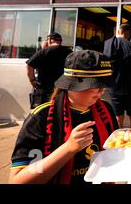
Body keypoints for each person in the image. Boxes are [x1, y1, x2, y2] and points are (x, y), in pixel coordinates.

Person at [9, 50, 118, 184]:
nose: (102, 91)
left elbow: (115, 155)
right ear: (71, 84)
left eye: (104, 84)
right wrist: (68, 148)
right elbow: (17, 180)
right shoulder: (41, 117)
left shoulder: (106, 110)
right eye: (96, 85)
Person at [103, 24, 131, 128]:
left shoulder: (107, 45)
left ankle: (119, 141)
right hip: (130, 88)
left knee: (118, 117)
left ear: (117, 32)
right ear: (128, 33)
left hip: (114, 87)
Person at [26, 32, 72, 108]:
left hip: (44, 88)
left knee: (41, 112)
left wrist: (32, 80)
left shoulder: (43, 52)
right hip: (62, 89)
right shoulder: (70, 53)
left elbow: (29, 65)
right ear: (61, 41)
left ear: (49, 40)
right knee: (59, 111)